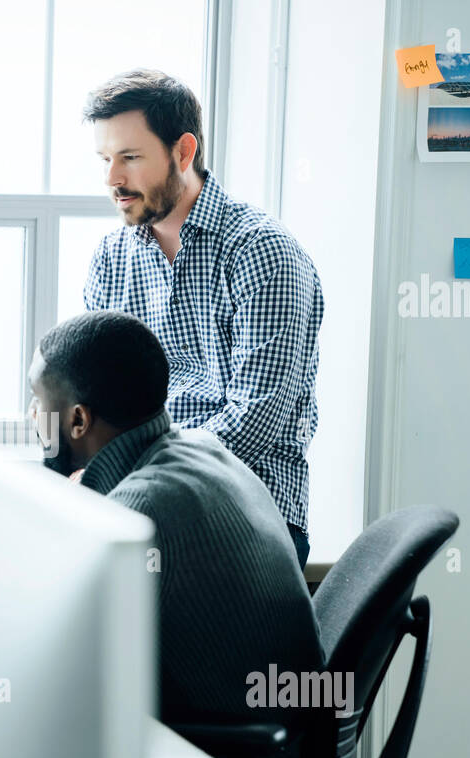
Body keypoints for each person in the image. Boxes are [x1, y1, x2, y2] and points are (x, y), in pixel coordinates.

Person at [0, 311, 321, 725]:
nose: (30, 415)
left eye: (37, 401)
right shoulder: (196, 451)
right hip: (275, 736)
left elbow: (48, 651)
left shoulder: (143, 510)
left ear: (78, 420)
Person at [83, 69, 323, 569]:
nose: (112, 180)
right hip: (138, 509)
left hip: (246, 518)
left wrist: (131, 478)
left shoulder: (262, 252)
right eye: (105, 160)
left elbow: (253, 422)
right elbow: (97, 400)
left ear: (183, 152)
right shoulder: (111, 257)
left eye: (130, 158)